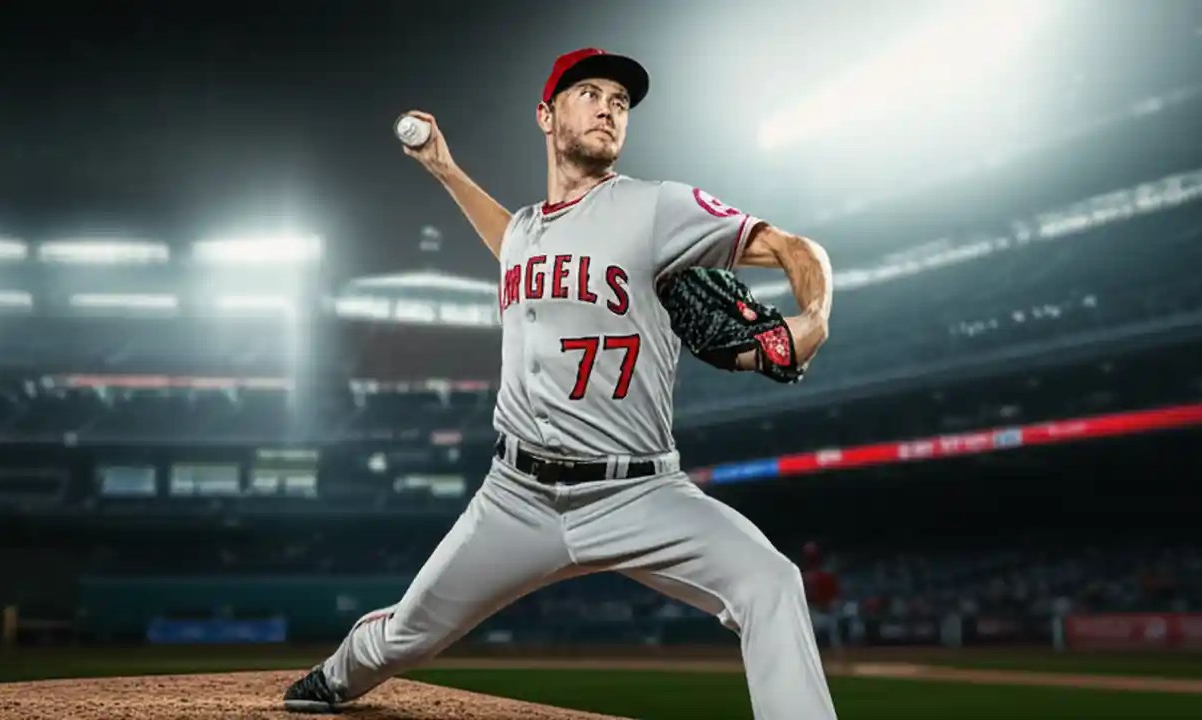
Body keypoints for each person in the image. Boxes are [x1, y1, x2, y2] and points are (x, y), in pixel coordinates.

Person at [284, 47, 837, 719]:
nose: (610, 107)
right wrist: (446, 170)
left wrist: (815, 316)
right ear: (546, 115)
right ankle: (338, 675)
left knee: (771, 580)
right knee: (406, 634)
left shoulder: (656, 209)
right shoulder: (524, 234)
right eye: (592, 93)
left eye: (622, 102)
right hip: (516, 498)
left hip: (639, 493)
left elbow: (794, 247)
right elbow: (513, 240)